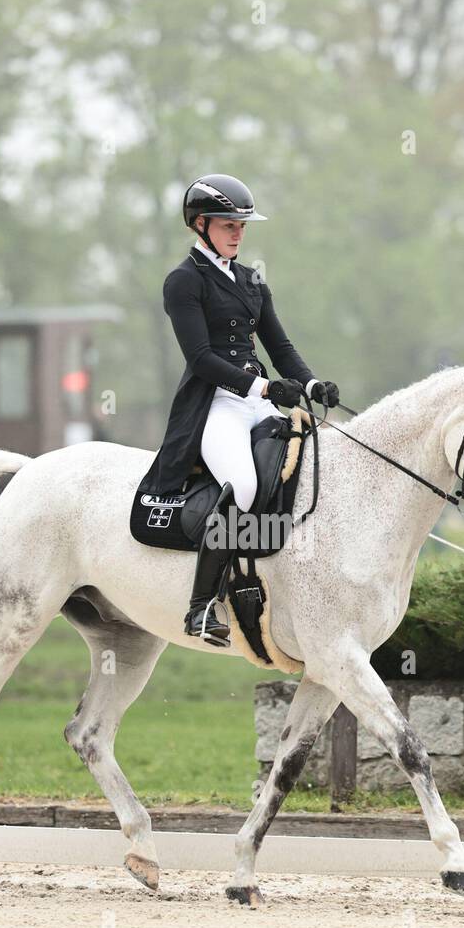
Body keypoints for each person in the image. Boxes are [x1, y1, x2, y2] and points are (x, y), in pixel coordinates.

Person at [135, 173, 339, 647]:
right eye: (229, 225)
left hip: (258, 399)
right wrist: (264, 387)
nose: (238, 233)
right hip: (216, 404)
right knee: (244, 485)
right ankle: (202, 606)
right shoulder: (184, 282)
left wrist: (310, 382)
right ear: (201, 224)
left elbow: (280, 345)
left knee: (312, 466)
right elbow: (201, 359)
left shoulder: (251, 280)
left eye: (243, 226)